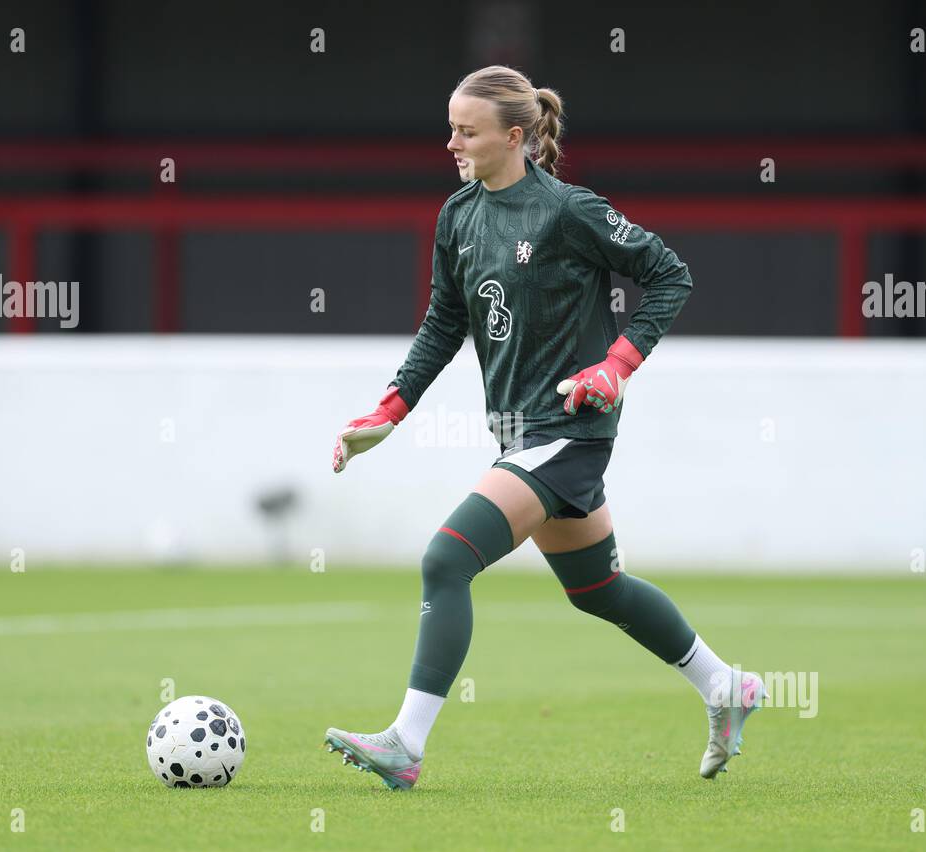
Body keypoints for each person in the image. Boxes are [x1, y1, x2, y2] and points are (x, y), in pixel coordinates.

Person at [326, 65, 767, 790]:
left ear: (515, 135)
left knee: (445, 560)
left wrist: (616, 365)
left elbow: (670, 274)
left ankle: (406, 745)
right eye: (451, 128)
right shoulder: (458, 216)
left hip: (569, 432)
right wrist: (390, 409)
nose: (452, 143)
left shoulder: (569, 211)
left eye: (467, 131)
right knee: (599, 590)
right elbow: (445, 322)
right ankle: (726, 687)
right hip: (522, 435)